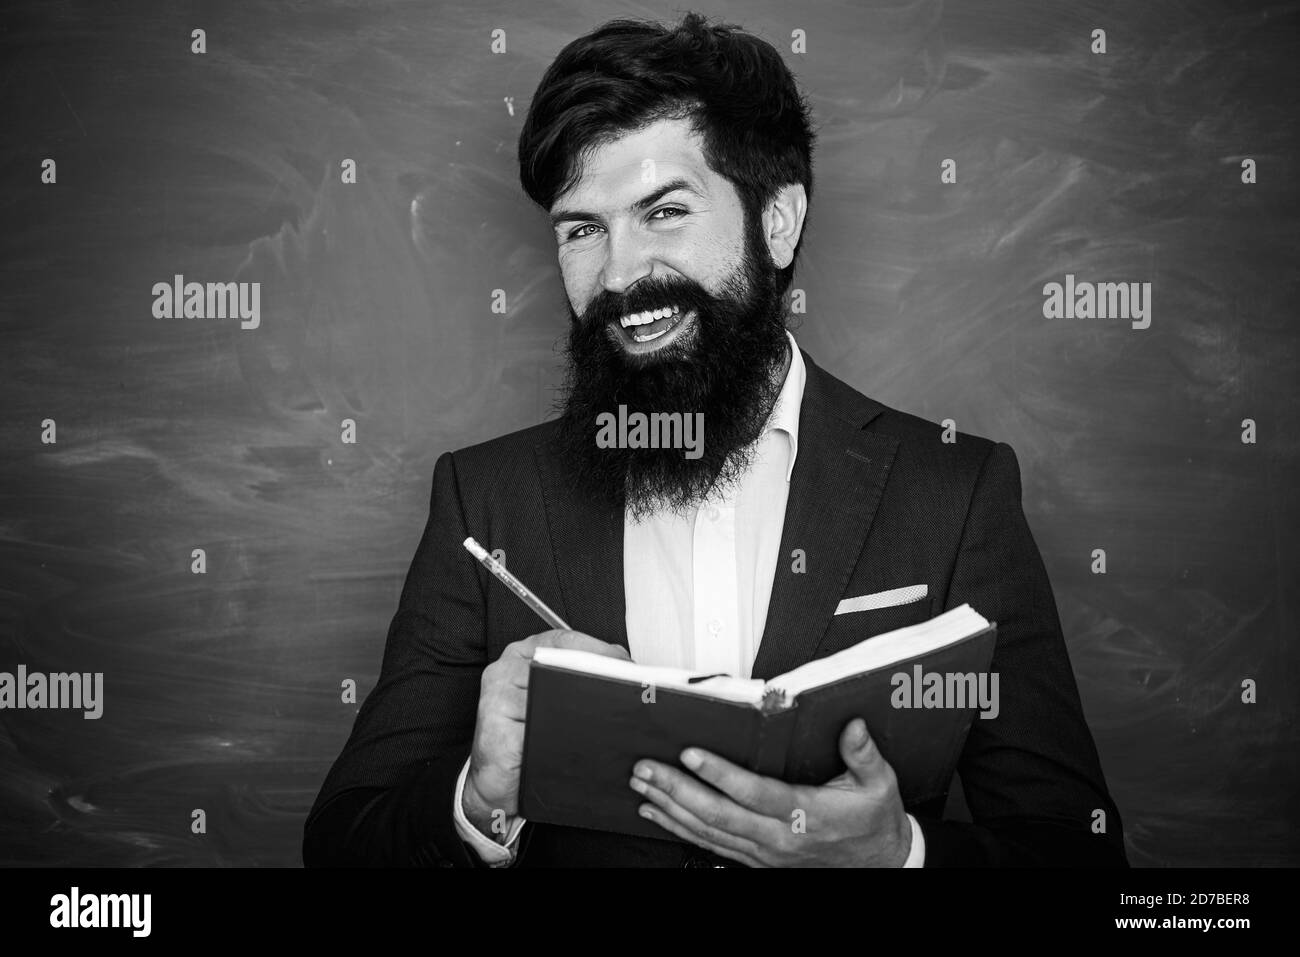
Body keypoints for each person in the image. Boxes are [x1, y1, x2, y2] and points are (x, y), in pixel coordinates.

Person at [303, 12, 1127, 868]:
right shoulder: (486, 497)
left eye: (664, 211)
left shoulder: (955, 491)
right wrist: (477, 793)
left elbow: (1084, 858)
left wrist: (901, 856)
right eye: (583, 228)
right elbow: (341, 847)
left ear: (779, 221)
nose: (620, 274)